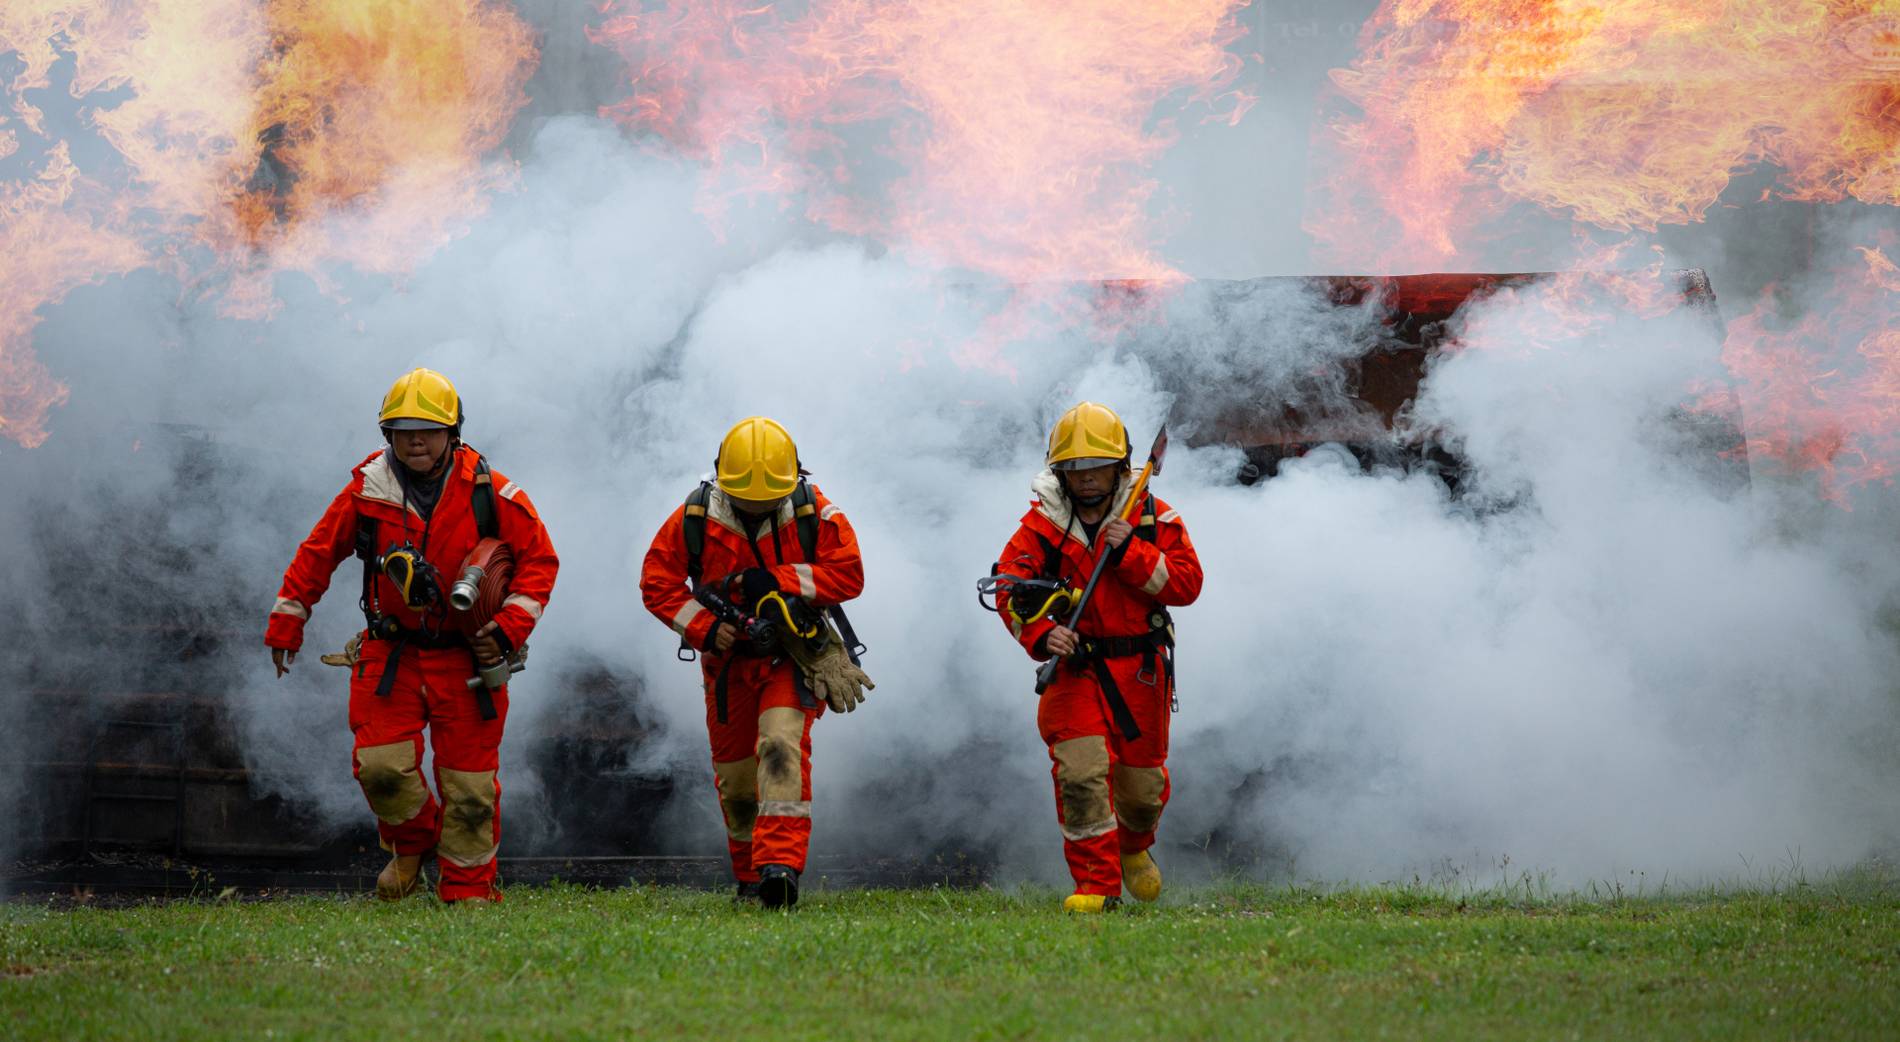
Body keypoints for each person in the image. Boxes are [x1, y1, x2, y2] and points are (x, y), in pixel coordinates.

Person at [265, 368, 558, 902]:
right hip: (391, 652)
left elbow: (540, 562)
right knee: (380, 768)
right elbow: (316, 554)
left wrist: (508, 629)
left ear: (453, 433)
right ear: (388, 435)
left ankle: (468, 894)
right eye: (403, 430)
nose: (415, 440)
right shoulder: (366, 491)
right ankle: (413, 843)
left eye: (427, 429)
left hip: (466, 659)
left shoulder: (491, 493)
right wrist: (288, 620)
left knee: (469, 792)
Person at [640, 416, 867, 909]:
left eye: (768, 500)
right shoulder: (695, 518)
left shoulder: (814, 512)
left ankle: (779, 868)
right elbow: (657, 585)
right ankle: (749, 878)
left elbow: (849, 575)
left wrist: (781, 579)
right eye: (747, 499)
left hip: (791, 654)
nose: (758, 506)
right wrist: (706, 628)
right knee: (738, 781)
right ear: (723, 480)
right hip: (726, 665)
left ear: (792, 480)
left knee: (781, 745)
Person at [988, 401, 1202, 912]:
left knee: (1142, 790)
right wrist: (1041, 635)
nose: (1085, 480)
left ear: (1120, 466)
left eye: (1097, 467)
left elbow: (1187, 585)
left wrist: (1131, 551)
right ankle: (1096, 888)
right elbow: (1008, 590)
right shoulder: (1040, 526)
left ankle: (1134, 849)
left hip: (1141, 672)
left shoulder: (1152, 517)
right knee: (1080, 774)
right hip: (1076, 671)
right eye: (1074, 469)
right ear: (1058, 471)